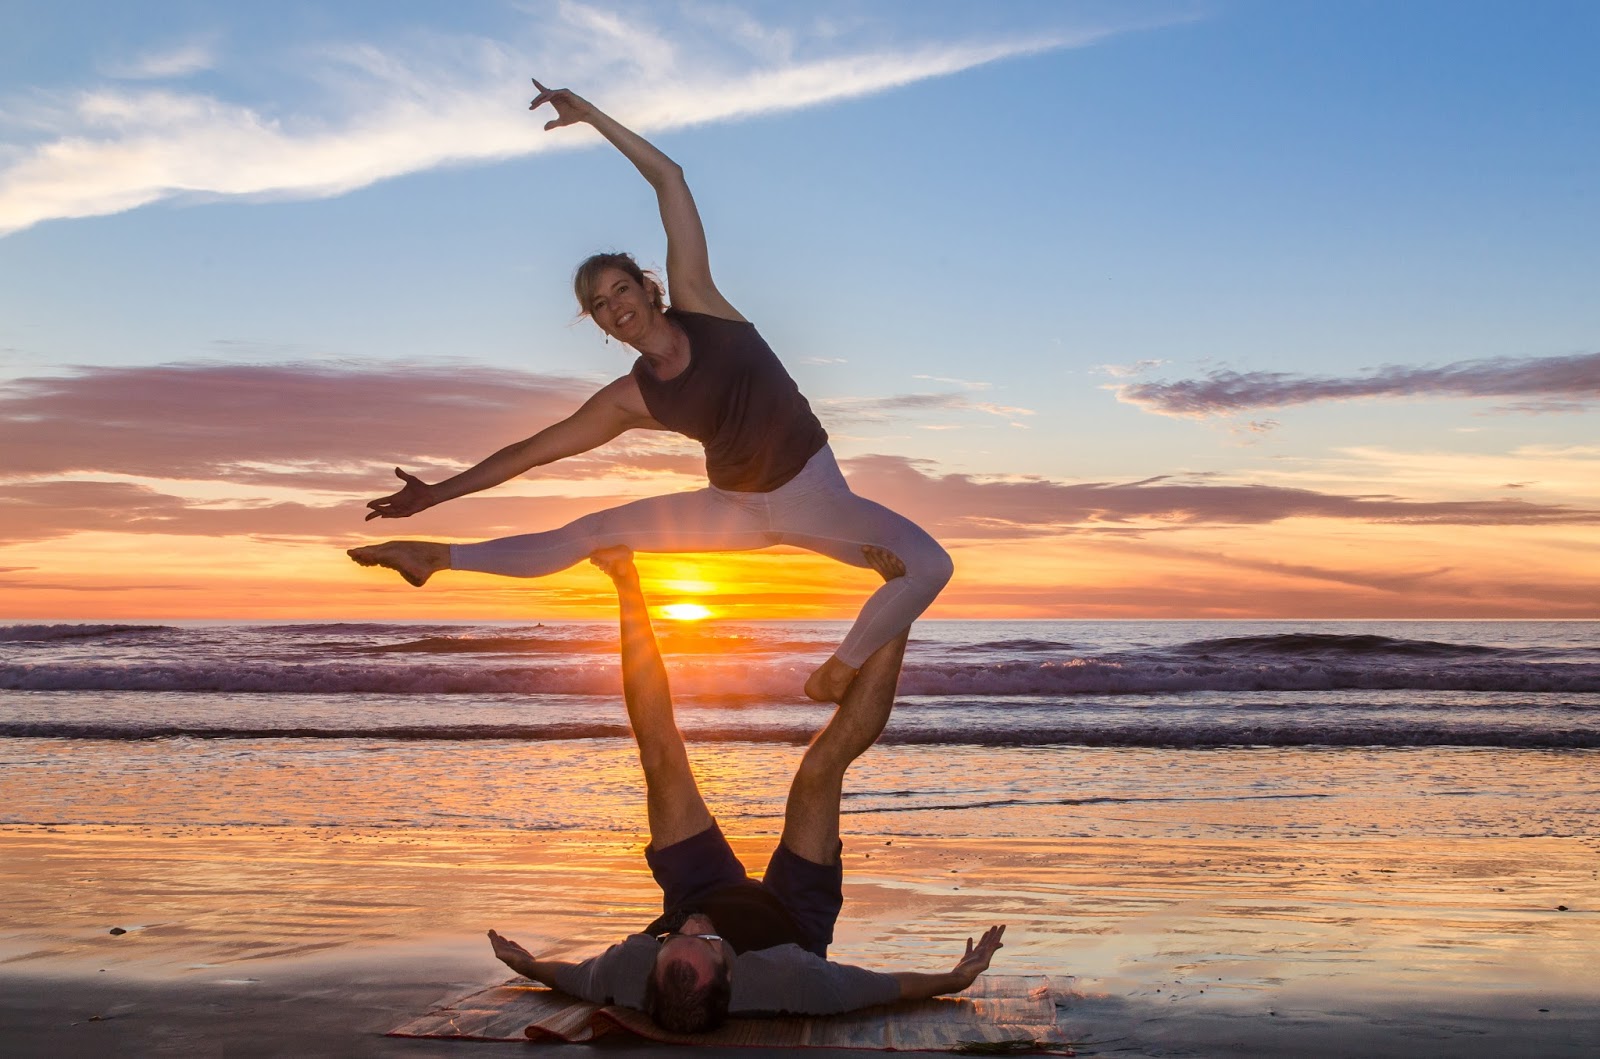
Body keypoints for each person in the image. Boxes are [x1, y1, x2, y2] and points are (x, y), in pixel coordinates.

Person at [348, 79, 953, 703]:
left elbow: (671, 180)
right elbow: (530, 452)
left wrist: (590, 117)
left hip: (815, 497)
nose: (614, 306)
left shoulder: (705, 306)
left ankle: (839, 668)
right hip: (731, 512)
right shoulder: (629, 399)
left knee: (931, 567)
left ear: (648, 287)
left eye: (620, 289)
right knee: (587, 532)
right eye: (599, 305)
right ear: (600, 324)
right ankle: (435, 558)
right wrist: (434, 495)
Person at [486, 544, 1004, 1033]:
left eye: (671, 938)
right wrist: (952, 979)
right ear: (733, 977)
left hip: (701, 883)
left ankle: (627, 582)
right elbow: (890, 989)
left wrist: (530, 964)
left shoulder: (625, 971)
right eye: (708, 941)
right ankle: (902, 595)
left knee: (659, 754)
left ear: (653, 965)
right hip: (795, 917)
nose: (693, 926)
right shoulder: (796, 983)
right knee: (820, 770)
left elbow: (567, 977)